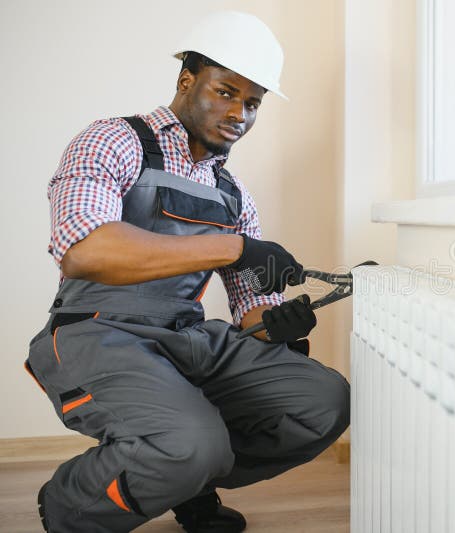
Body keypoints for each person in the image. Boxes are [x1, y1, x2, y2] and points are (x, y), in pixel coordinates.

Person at [25, 11, 350, 533]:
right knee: (190, 443)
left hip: (183, 339)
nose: (238, 113)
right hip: (96, 332)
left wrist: (281, 326)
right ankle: (72, 503)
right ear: (186, 80)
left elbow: (250, 315)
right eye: (225, 92)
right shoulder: (114, 140)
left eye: (252, 103)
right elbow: (85, 248)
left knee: (321, 402)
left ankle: (187, 476)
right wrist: (231, 247)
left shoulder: (234, 195)